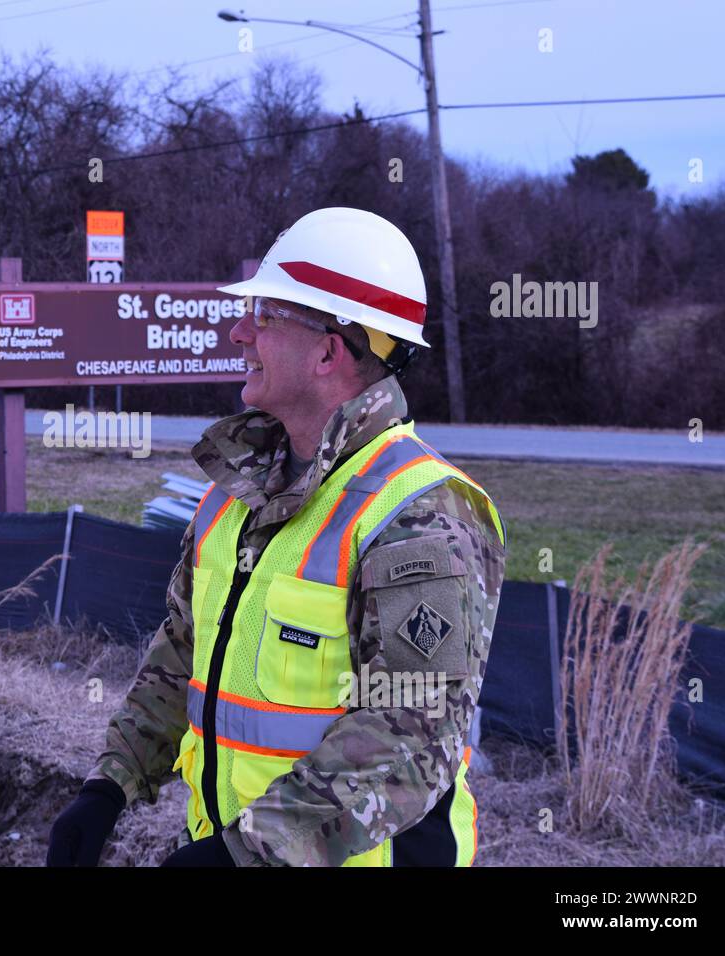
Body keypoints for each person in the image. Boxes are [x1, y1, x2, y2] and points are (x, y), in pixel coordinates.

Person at [47, 207, 506, 867]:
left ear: (329, 350)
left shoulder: (421, 511)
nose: (239, 332)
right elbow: (183, 653)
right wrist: (111, 784)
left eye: (264, 315)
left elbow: (410, 741)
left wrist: (245, 854)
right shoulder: (233, 493)